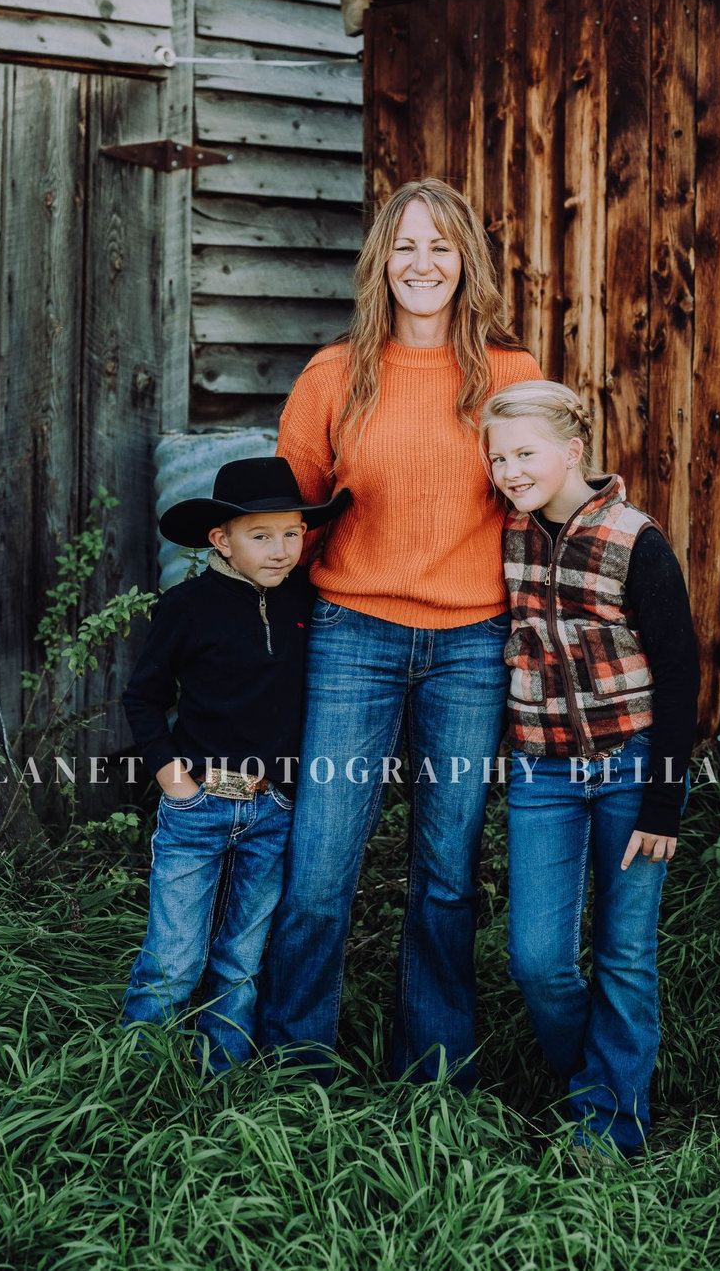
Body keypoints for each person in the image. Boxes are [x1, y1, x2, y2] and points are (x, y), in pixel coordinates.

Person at [257, 178, 542, 1086]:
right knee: (319, 869)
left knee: (448, 874)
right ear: (381, 261)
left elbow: (538, 497)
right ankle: (293, 1064)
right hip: (353, 637)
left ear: (466, 263)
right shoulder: (333, 374)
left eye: (441, 247)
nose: (423, 265)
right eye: (406, 247)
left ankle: (434, 1073)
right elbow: (285, 509)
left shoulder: (511, 375)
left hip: (471, 646)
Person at [480, 380, 699, 1155]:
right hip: (541, 772)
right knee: (536, 960)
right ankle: (599, 1076)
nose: (508, 470)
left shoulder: (636, 539)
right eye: (497, 457)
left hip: (631, 767)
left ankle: (611, 1126)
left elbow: (677, 673)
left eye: (524, 453)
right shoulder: (504, 535)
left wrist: (662, 805)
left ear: (573, 451)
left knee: (624, 952)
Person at [119, 457, 350, 1075]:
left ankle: (220, 1079)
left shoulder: (306, 602)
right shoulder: (187, 606)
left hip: (273, 806)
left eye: (293, 533)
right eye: (261, 535)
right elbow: (143, 697)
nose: (281, 550)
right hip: (198, 805)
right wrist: (175, 781)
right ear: (221, 540)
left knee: (243, 956)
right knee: (174, 956)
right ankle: (135, 1083)